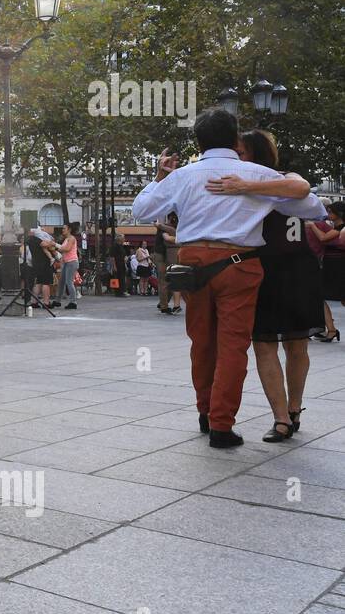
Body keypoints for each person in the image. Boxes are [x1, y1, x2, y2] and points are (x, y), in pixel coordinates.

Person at [131, 107, 326, 448]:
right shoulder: (257, 175)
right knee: (233, 347)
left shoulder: (184, 176)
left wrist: (161, 177)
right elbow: (312, 207)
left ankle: (205, 414)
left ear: (198, 141)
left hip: (192, 265)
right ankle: (222, 426)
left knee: (202, 343)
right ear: (235, 139)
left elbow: (141, 210)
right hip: (238, 264)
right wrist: (262, 189)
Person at [204, 130, 322, 442]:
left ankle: (294, 409)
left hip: (296, 268)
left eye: (240, 152)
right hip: (258, 268)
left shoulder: (278, 179)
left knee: (297, 344)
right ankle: (281, 419)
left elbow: (303, 189)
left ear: (255, 153)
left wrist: (247, 186)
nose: (235, 159)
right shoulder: (232, 185)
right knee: (264, 344)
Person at [307, 202, 344, 343]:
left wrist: (312, 226)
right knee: (322, 296)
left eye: (330, 212)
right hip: (332, 266)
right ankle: (330, 328)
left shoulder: (340, 228)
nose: (328, 214)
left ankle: (330, 328)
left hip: (339, 267)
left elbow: (323, 238)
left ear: (339, 213)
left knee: (335, 297)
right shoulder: (332, 227)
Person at [153, 214, 183, 315]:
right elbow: (167, 238)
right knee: (164, 280)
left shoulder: (165, 227)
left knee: (165, 280)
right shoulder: (168, 228)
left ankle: (163, 303)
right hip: (161, 255)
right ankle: (164, 305)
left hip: (162, 254)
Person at [53, 223, 80, 309]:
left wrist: (56, 245)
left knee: (69, 282)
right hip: (66, 262)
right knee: (61, 282)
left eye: (64, 228)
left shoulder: (71, 238)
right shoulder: (66, 239)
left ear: (69, 229)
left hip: (72, 262)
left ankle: (73, 302)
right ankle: (57, 301)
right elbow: (63, 250)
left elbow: (67, 249)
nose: (62, 230)